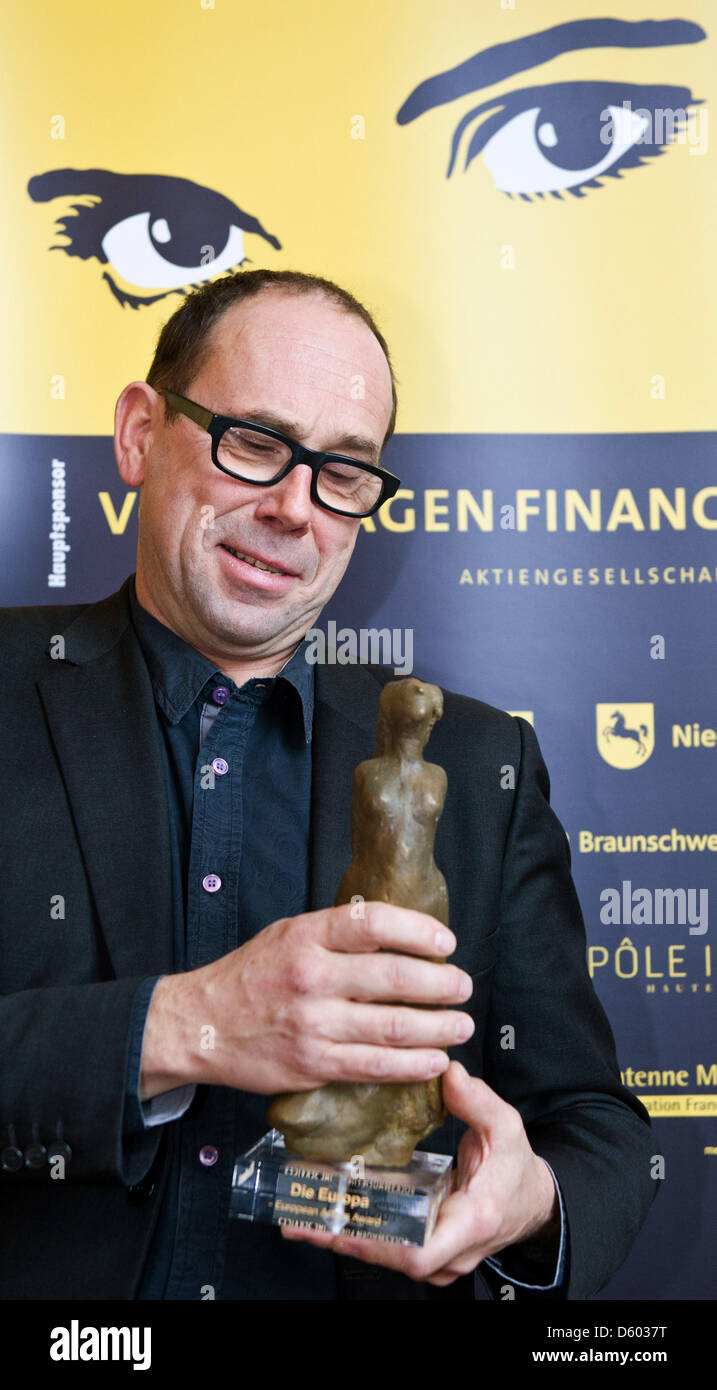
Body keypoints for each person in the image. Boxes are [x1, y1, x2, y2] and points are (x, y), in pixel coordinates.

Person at [0, 269, 657, 1301]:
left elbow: (597, 1128)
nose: (293, 507)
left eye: (343, 473)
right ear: (138, 433)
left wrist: (527, 1201)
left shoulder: (485, 766)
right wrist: (185, 1024)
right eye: (255, 442)